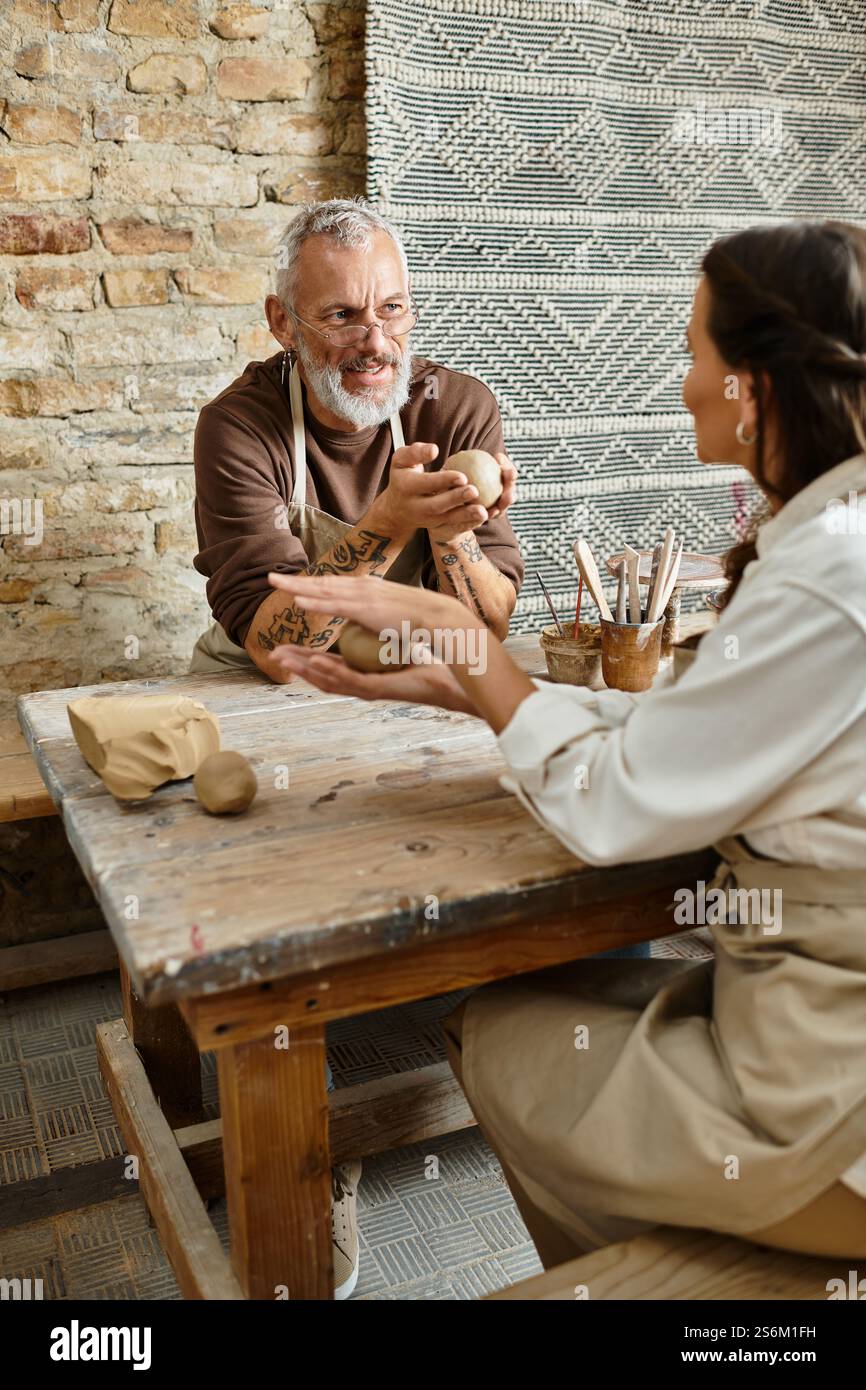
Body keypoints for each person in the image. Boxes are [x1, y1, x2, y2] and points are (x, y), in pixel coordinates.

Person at [261, 220, 866, 1267]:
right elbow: (703, 738)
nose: (682, 384)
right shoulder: (836, 543)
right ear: (287, 326)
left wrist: (463, 639)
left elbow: (613, 809)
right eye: (340, 315)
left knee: (497, 1032)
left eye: (692, 355)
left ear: (753, 388)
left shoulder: (821, 581)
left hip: (833, 1105)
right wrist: (462, 690)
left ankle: (701, 1266)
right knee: (581, 1009)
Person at [190, 197, 524, 1299]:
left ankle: (516, 1060)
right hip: (267, 685)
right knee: (268, 891)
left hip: (413, 676)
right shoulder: (238, 426)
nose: (374, 341)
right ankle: (300, 1141)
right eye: (340, 316)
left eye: (392, 309)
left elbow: (492, 620)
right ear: (283, 321)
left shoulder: (456, 405)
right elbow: (273, 642)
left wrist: (454, 534)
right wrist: (385, 524)